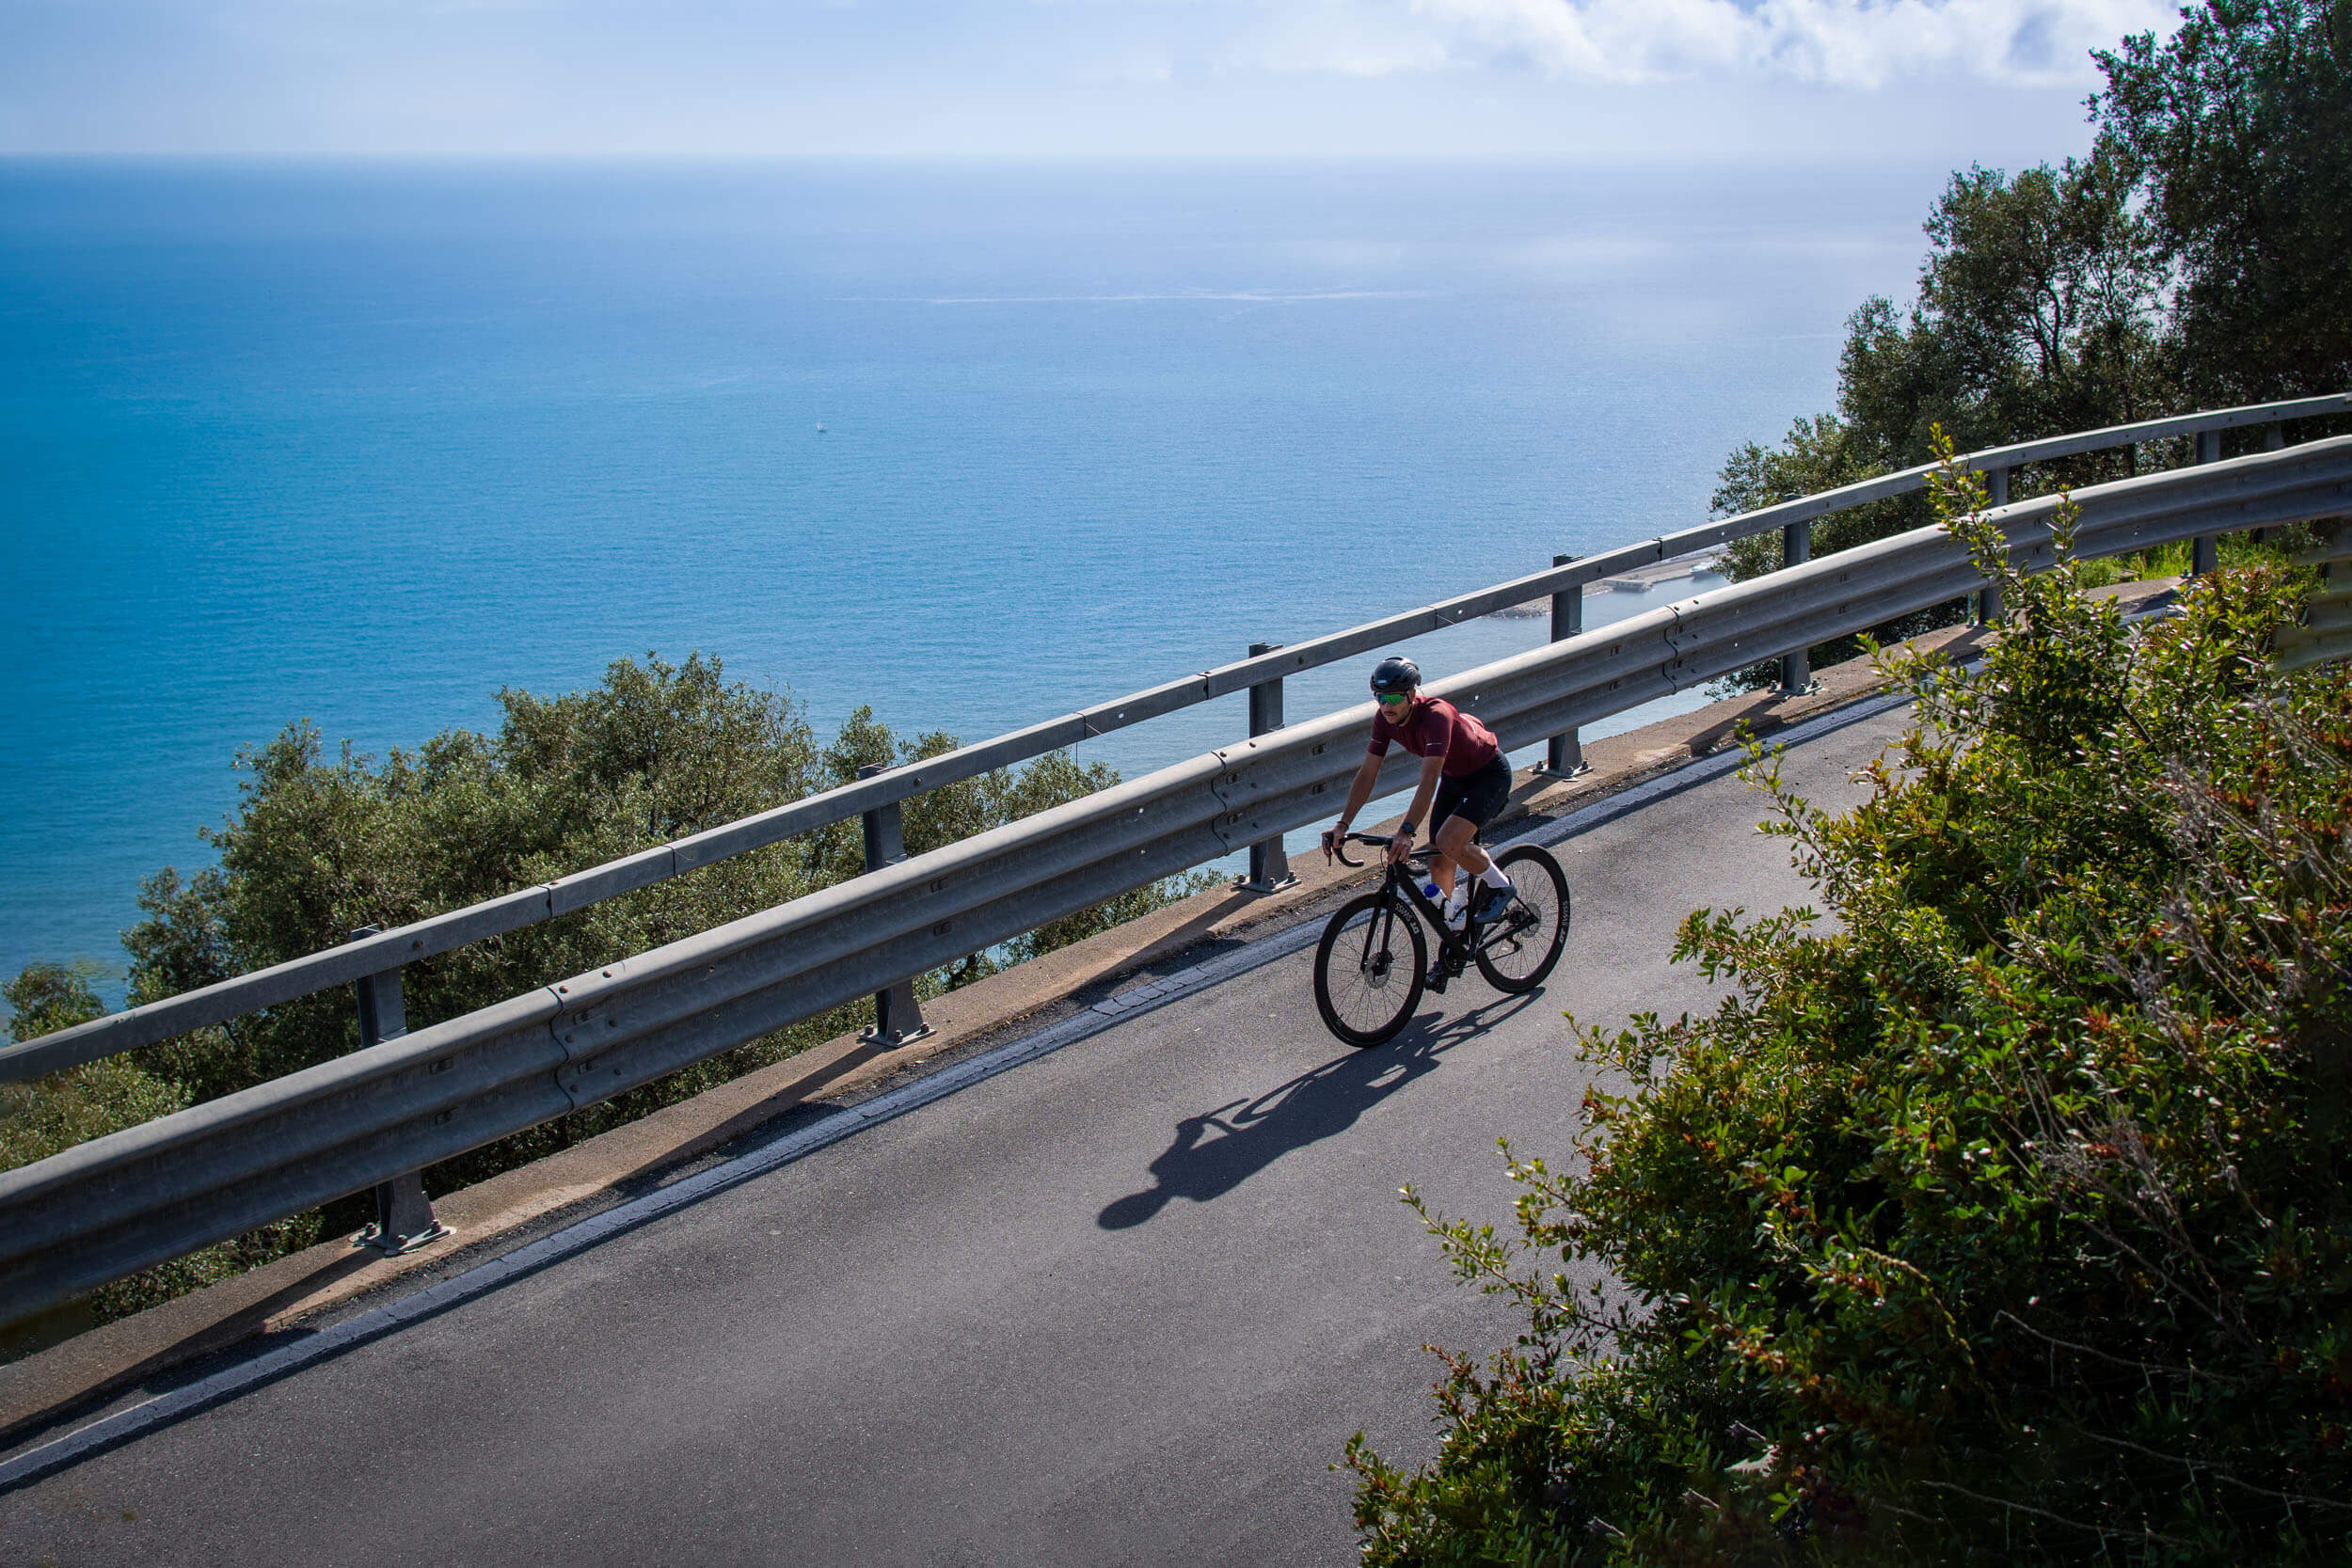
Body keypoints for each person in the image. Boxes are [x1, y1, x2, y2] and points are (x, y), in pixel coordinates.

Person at [1320, 657, 1516, 963]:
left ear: (1412, 694)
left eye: (1394, 698)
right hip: (1456, 778)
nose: (1387, 705)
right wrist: (1343, 824)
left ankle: (1500, 885)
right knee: (1439, 863)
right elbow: (1368, 774)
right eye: (1380, 698)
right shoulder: (1383, 720)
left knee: (1450, 841)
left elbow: (1428, 779)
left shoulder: (1436, 715)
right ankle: (1456, 935)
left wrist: (1406, 831)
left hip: (1488, 774)